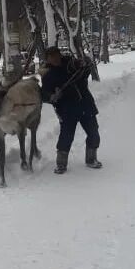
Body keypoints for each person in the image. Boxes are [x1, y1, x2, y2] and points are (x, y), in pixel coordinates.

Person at [40, 46, 102, 174]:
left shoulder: (71, 63)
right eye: (52, 57)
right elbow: (44, 94)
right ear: (47, 59)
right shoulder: (47, 75)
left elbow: (84, 74)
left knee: (94, 133)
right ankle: (61, 164)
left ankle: (91, 159)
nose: (55, 58)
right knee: (66, 137)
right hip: (67, 109)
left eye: (57, 55)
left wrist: (86, 64)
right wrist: (52, 96)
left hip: (85, 104)